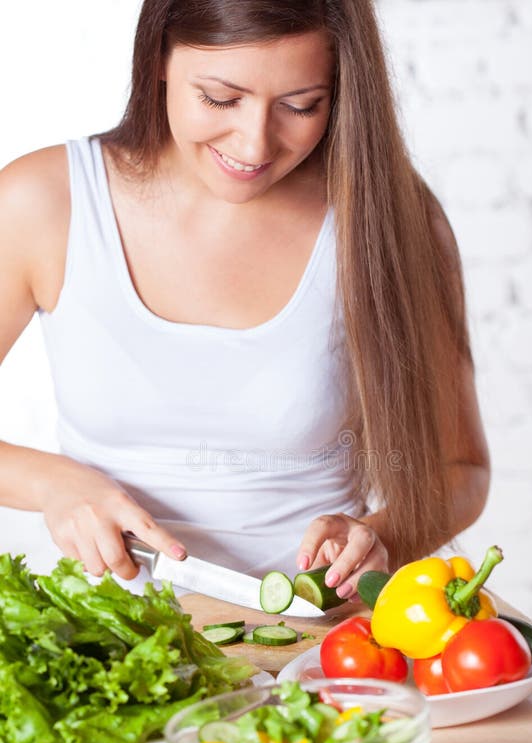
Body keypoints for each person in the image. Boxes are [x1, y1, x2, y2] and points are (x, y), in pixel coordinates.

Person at [0, 0, 490, 603]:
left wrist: (378, 535)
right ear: (158, 59)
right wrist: (53, 483)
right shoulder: (43, 202)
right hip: (111, 637)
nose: (254, 144)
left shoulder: (388, 219)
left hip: (317, 643)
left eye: (300, 105)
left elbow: (461, 473)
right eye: (220, 98)